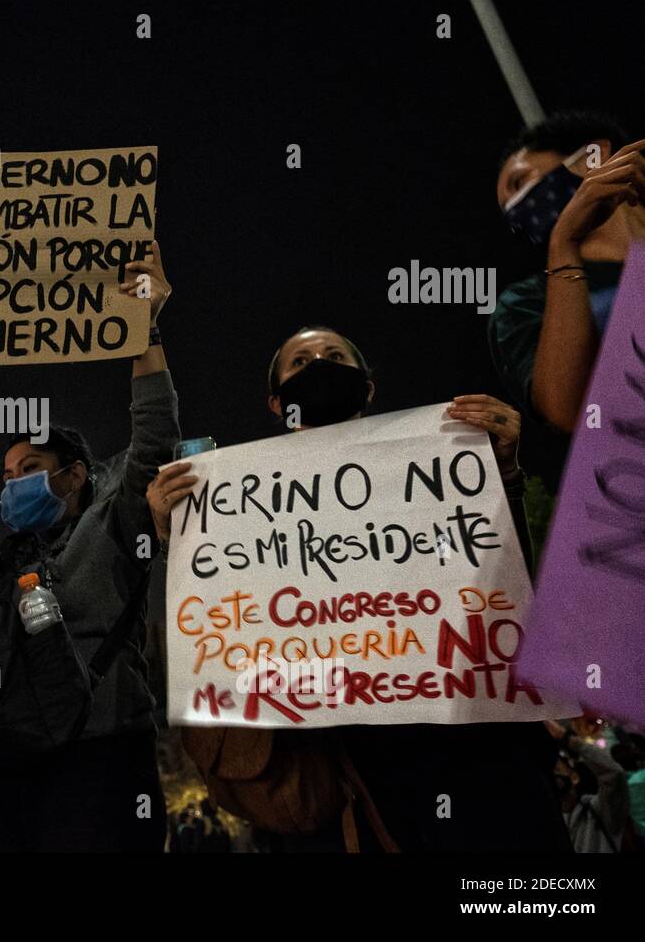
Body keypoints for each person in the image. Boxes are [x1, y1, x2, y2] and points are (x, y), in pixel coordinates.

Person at [152, 326, 570, 851]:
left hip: (472, 754)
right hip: (342, 768)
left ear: (367, 387)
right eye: (301, 362)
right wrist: (181, 540)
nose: (320, 366)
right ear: (277, 402)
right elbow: (215, 639)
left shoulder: (437, 465)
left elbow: (490, 572)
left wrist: (503, 473)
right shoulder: (241, 508)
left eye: (334, 356)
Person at [0, 241, 179, 852]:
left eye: (31, 466)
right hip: (6, 762)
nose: (14, 482)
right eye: (6, 474)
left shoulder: (113, 525)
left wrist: (144, 326)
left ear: (73, 476)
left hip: (102, 754)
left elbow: (152, 438)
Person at [490, 111, 645, 483]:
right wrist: (564, 244)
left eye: (520, 182)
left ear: (594, 157)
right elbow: (570, 410)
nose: (516, 211)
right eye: (507, 209)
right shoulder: (526, 303)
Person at [549, 720, 631, 853]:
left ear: (574, 776)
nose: (554, 774)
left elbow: (613, 774)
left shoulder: (601, 810)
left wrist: (566, 738)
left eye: (558, 769)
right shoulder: (551, 826)